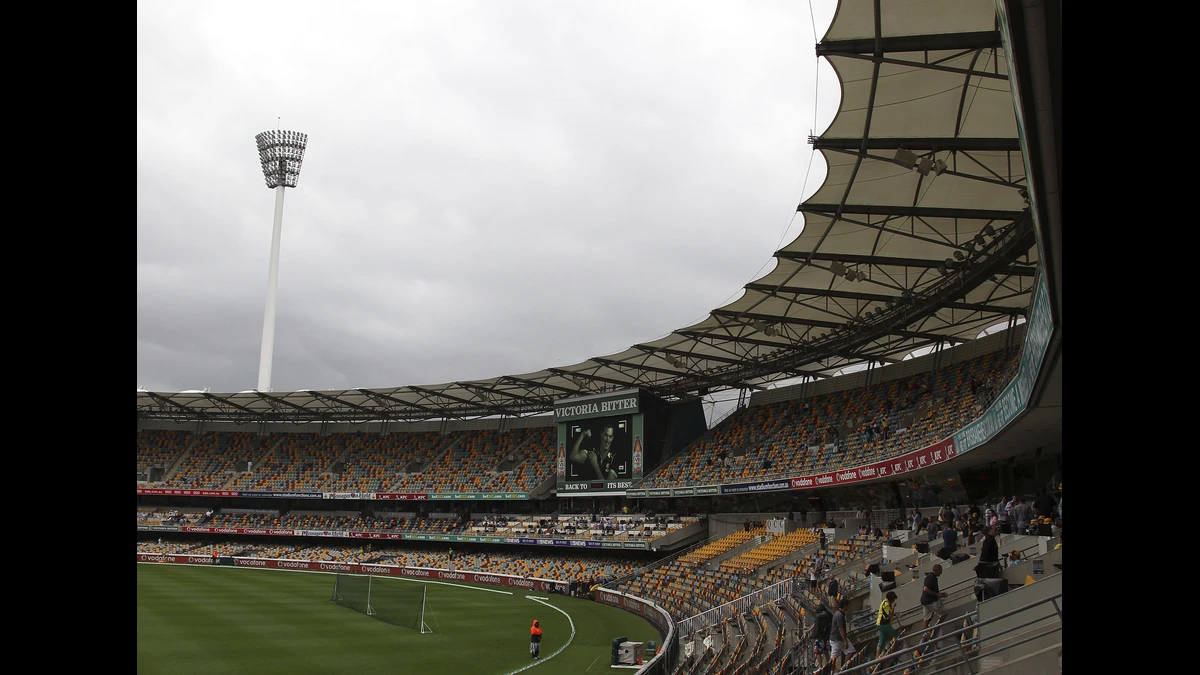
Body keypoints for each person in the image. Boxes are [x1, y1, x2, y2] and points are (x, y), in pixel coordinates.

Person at [921, 564, 949, 639]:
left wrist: (940, 594)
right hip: (930, 601)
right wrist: (937, 594)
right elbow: (926, 589)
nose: (941, 573)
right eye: (940, 571)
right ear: (936, 570)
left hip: (925, 601)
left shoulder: (932, 577)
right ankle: (936, 629)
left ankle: (924, 635)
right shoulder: (931, 577)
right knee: (944, 613)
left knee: (927, 619)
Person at [829, 598, 856, 669]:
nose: (848, 607)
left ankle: (844, 668)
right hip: (837, 639)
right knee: (833, 660)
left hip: (840, 638)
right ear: (844, 606)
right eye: (847, 606)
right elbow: (841, 629)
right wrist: (845, 641)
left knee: (851, 651)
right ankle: (832, 671)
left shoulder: (840, 614)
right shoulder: (839, 615)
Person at [876, 591, 900, 657]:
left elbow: (887, 613)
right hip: (884, 625)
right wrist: (894, 607)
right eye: (893, 599)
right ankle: (898, 651)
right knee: (897, 636)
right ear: (891, 599)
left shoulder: (886, 603)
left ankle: (877, 657)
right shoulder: (886, 604)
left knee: (881, 641)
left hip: (880, 625)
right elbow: (889, 615)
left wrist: (895, 613)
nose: (894, 600)